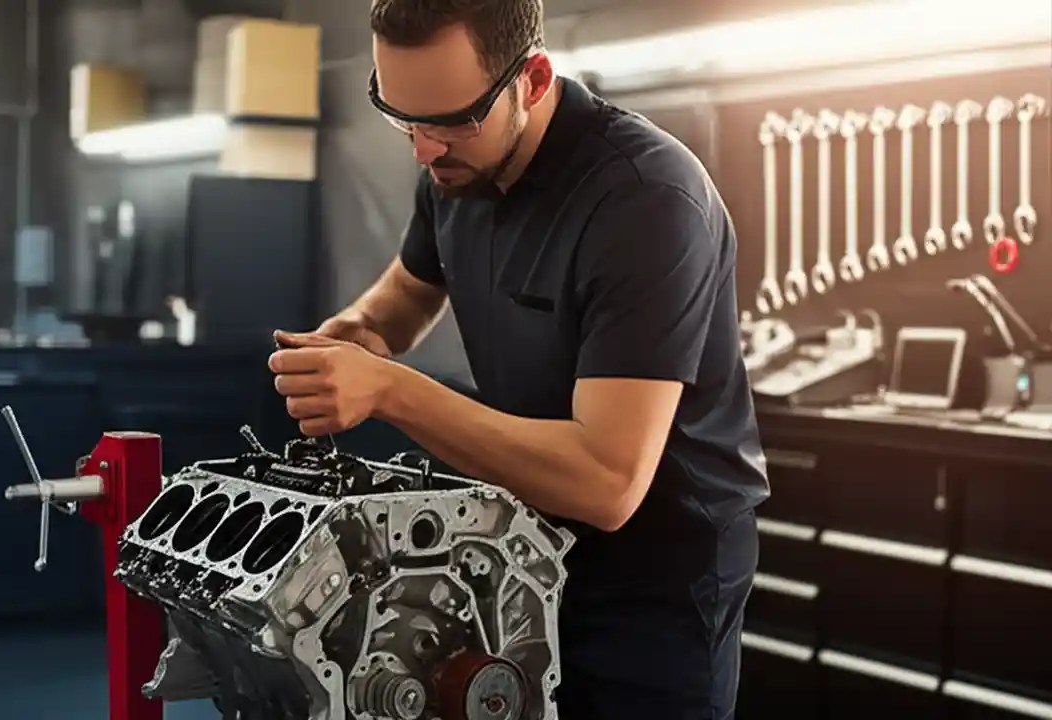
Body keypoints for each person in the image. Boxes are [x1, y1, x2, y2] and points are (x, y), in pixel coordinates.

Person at [266, 0, 770, 717]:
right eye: (402, 118)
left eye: (450, 121)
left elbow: (607, 481)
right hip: (519, 549)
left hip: (654, 583)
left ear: (531, 79)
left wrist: (390, 392)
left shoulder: (644, 201)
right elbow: (408, 293)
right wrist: (355, 333)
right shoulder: (453, 165)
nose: (423, 150)